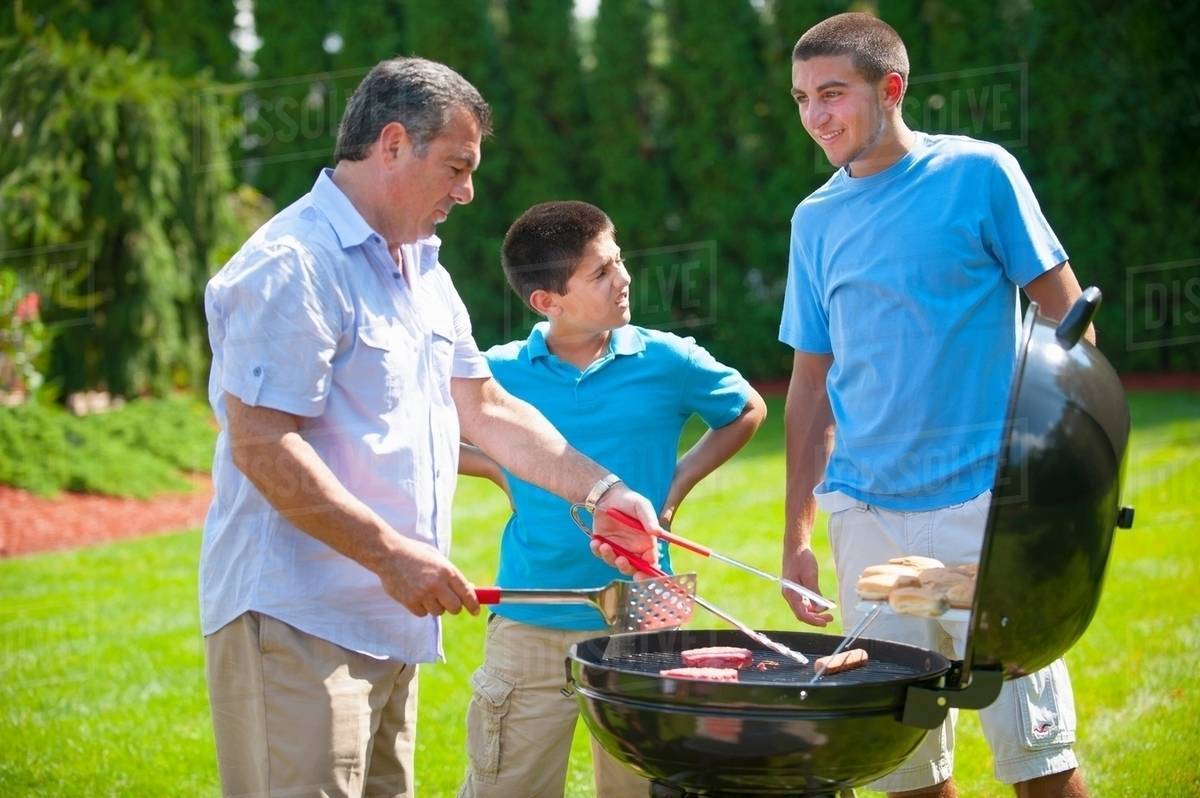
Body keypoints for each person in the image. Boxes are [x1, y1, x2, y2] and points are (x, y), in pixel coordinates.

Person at [201, 58, 662, 798]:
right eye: (456, 167)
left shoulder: (424, 273)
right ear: (392, 144)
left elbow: (486, 408)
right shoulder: (294, 265)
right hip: (297, 623)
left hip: (390, 624)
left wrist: (604, 491)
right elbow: (262, 443)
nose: (467, 191)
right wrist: (391, 555)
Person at [779, 13, 1093, 798]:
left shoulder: (979, 174)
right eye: (802, 98)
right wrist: (797, 535)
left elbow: (1070, 324)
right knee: (903, 768)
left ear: (891, 88)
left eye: (832, 93)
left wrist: (1069, 481)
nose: (816, 116)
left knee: (1040, 758)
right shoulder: (813, 220)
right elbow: (810, 386)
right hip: (867, 519)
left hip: (987, 508)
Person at [456, 200, 767, 798]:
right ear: (546, 300)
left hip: (643, 615)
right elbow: (432, 434)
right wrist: (500, 468)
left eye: (618, 260)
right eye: (600, 272)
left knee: (642, 788)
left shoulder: (668, 360)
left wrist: (672, 491)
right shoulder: (497, 375)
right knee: (507, 786)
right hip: (531, 617)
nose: (623, 278)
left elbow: (746, 409)